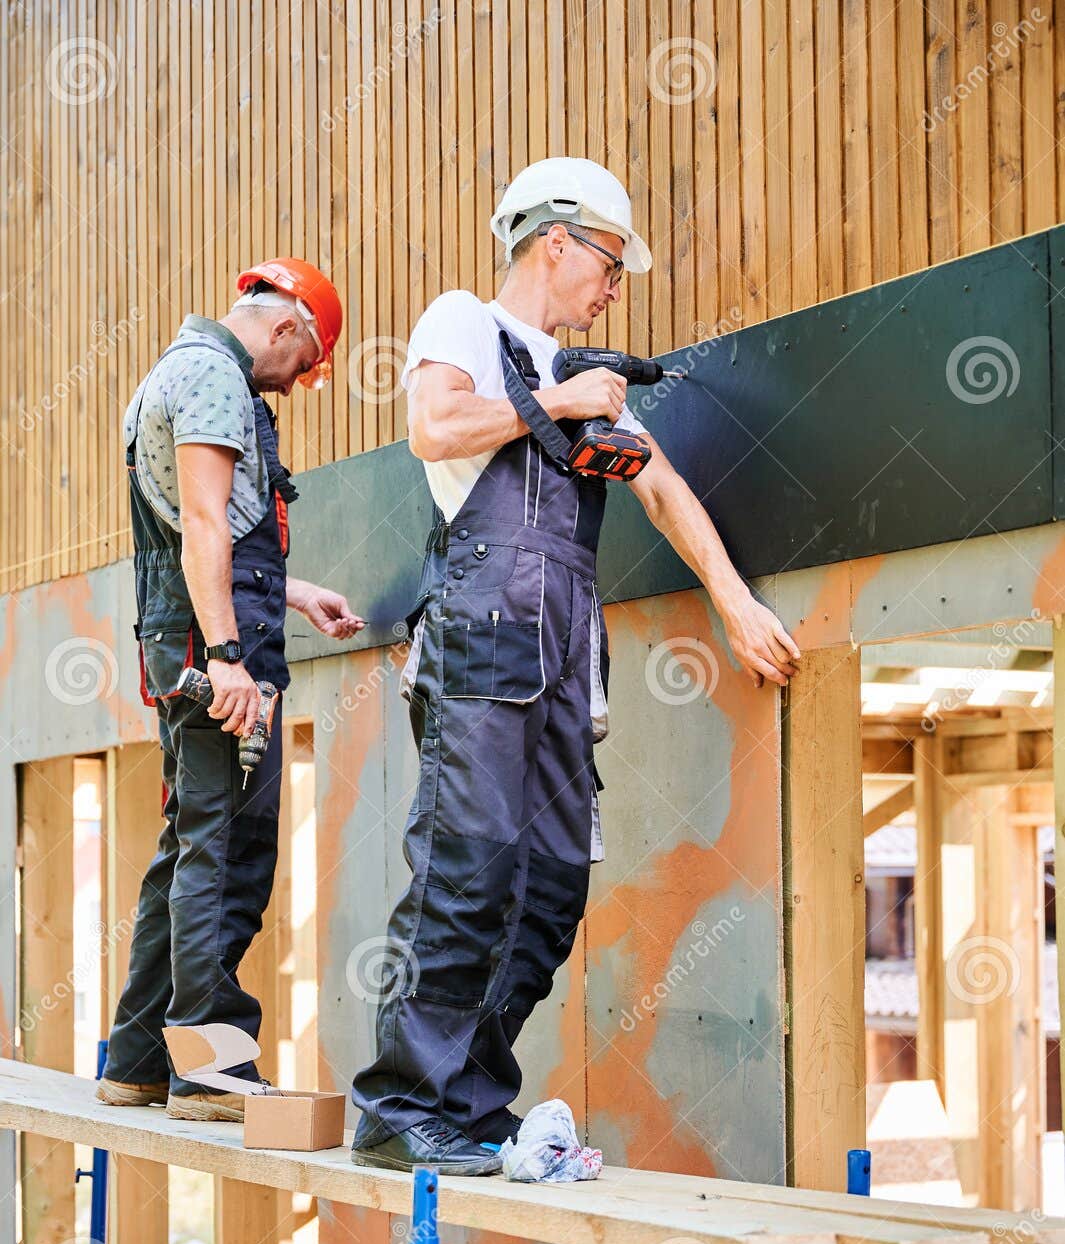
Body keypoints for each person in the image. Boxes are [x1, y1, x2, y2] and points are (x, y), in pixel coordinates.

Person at [350, 158, 801, 1174]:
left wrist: (733, 601)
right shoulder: (466, 322)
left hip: (561, 648)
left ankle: (466, 1102)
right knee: (466, 871)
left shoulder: (582, 381)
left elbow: (662, 489)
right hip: (482, 633)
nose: (614, 287)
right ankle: (399, 1105)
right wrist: (555, 402)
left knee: (548, 887)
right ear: (554, 241)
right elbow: (434, 427)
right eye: (609, 262)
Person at [98, 259, 363, 1122]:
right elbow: (207, 523)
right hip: (213, 647)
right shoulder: (215, 376)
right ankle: (208, 1068)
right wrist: (225, 656)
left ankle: (139, 1059)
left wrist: (294, 591)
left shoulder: (175, 369)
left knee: (190, 842)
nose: (291, 384)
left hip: (191, 632)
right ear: (285, 327)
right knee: (228, 847)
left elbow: (201, 529)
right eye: (302, 365)